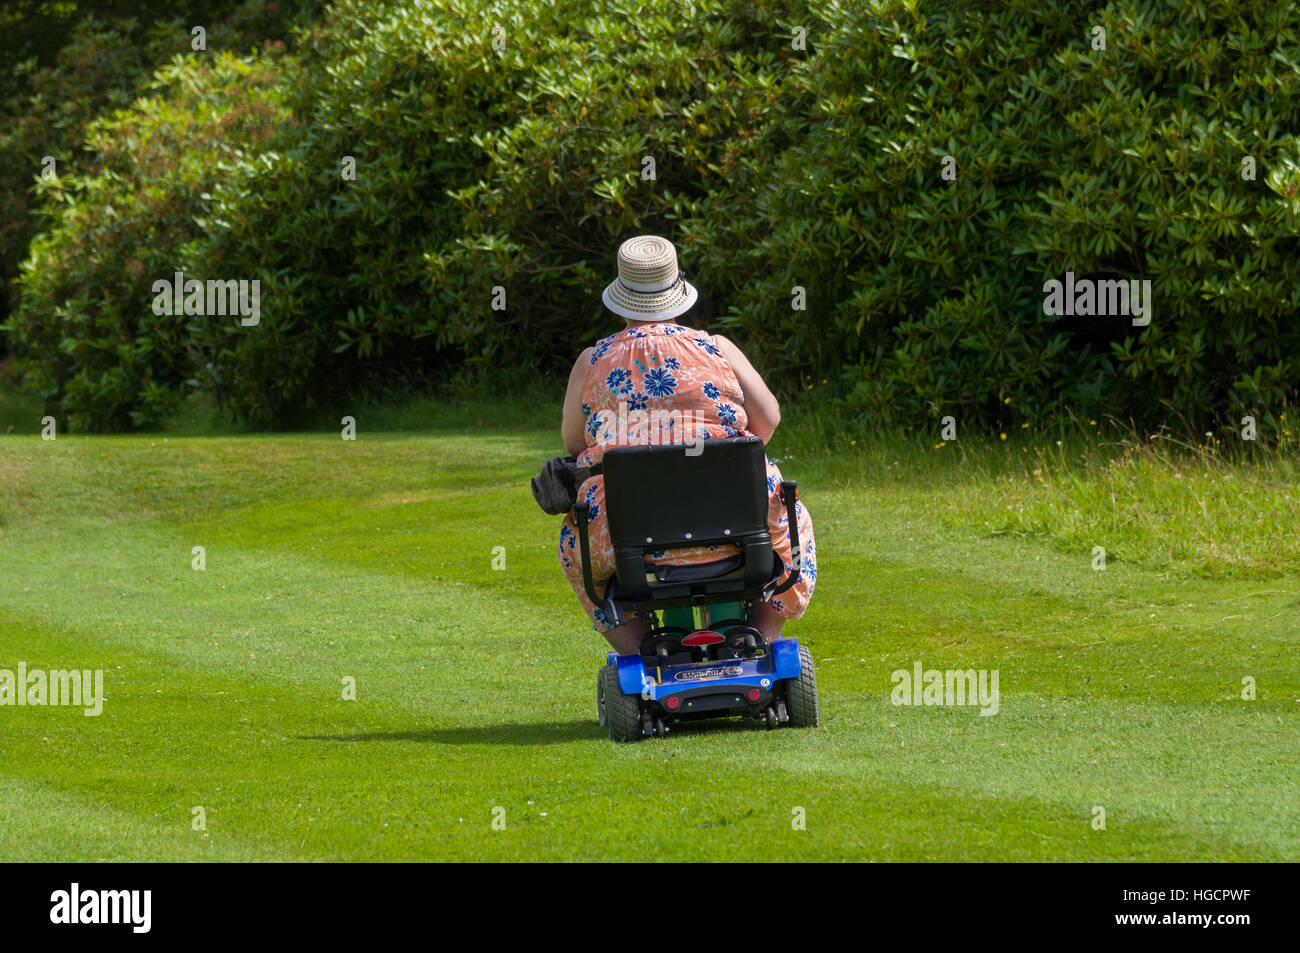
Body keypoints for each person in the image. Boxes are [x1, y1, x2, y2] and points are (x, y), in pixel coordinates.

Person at [556, 235, 817, 655]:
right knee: (795, 526)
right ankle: (761, 640)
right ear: (677, 292)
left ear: (621, 296)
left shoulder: (591, 362)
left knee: (576, 553)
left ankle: (647, 649)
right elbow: (768, 421)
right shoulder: (717, 348)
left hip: (630, 533)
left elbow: (576, 446)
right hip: (736, 515)